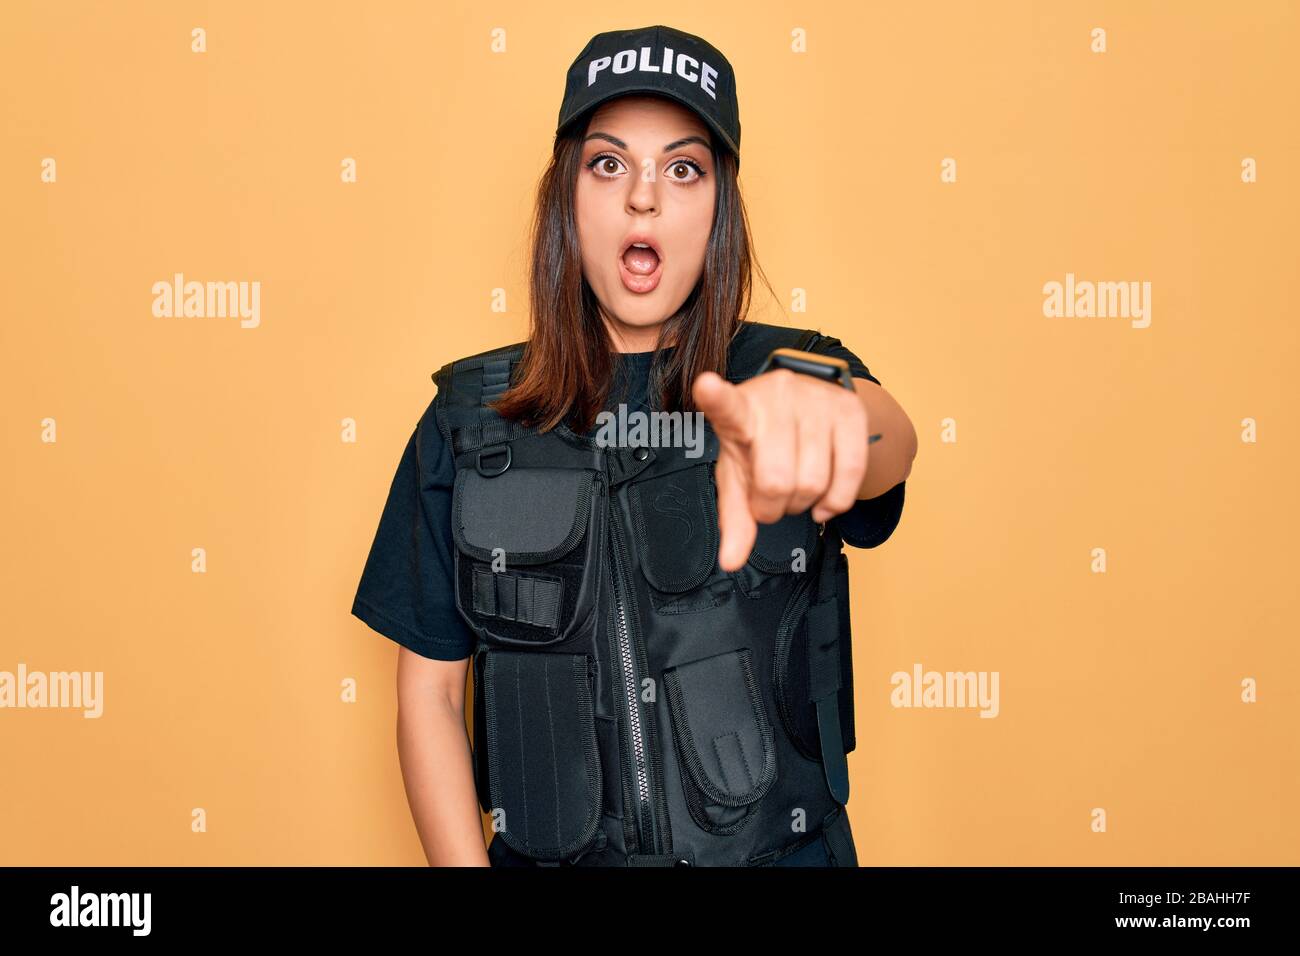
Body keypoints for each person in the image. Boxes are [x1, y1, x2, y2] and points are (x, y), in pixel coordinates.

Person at [351, 24, 918, 867]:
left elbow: (886, 440)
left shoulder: (793, 375)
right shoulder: (469, 419)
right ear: (566, 198)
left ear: (719, 205)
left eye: (682, 168)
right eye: (609, 164)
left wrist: (838, 417)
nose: (643, 197)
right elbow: (430, 693)